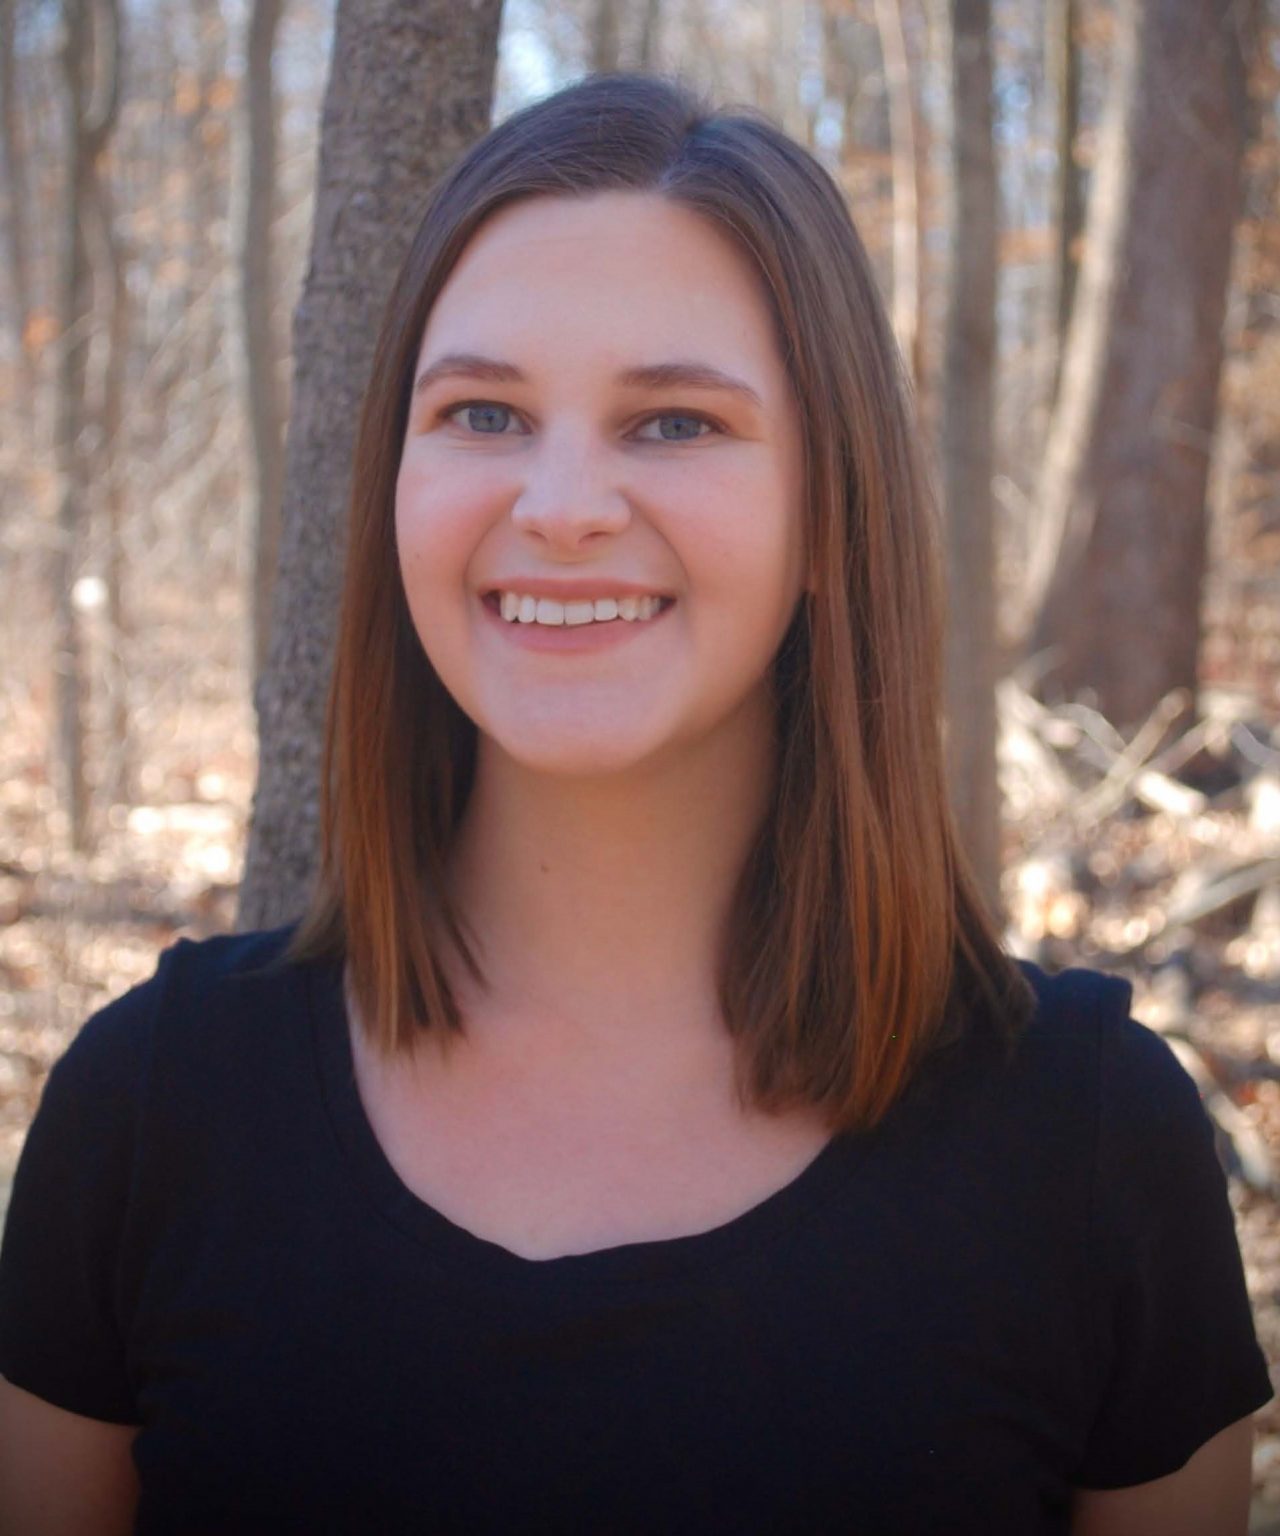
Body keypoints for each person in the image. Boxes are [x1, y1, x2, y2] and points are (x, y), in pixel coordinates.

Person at [0, 72, 1271, 1536]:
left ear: (829, 512)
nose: (560, 502)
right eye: (482, 410)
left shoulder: (1089, 1147)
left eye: (672, 424)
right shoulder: (155, 1112)